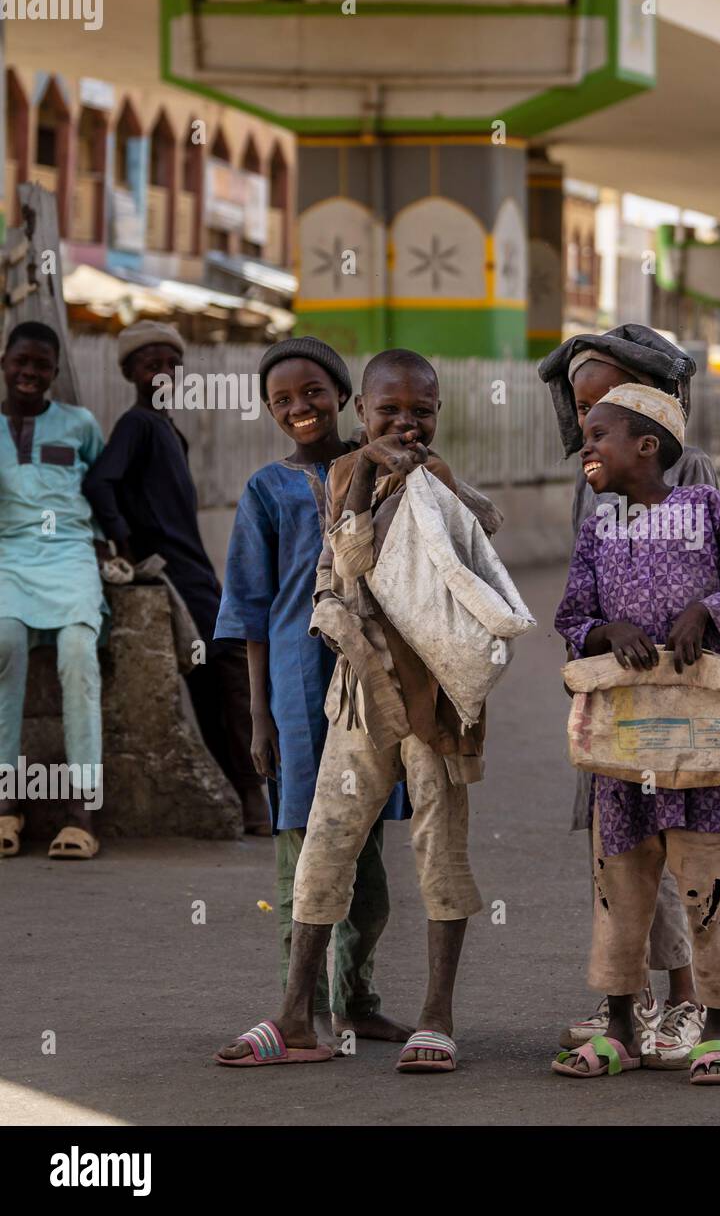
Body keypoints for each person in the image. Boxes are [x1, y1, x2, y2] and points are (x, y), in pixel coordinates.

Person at [215, 349, 497, 1072]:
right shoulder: (340, 477)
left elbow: (485, 531)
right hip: (352, 697)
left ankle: (432, 1017)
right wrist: (369, 474)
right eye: (390, 411)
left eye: (421, 412)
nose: (405, 423)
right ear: (362, 411)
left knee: (436, 852)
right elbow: (347, 564)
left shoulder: (435, 478)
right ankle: (296, 1016)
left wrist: (439, 481)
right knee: (319, 852)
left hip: (435, 699)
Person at [552, 384, 720, 1085]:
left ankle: (718, 1030)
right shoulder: (598, 527)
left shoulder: (706, 509)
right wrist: (605, 631)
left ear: (647, 446)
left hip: (701, 737)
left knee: (708, 878)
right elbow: (571, 618)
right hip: (623, 738)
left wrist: (707, 613)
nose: (586, 447)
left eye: (599, 435)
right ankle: (621, 1026)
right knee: (617, 882)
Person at [215, 336, 412, 1049]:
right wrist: (259, 714)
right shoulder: (266, 489)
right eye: (282, 400)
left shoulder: (384, 466)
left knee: (368, 859)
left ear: (343, 396)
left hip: (373, 684)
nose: (299, 408)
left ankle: (356, 998)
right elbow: (251, 608)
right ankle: (299, 1006)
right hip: (297, 692)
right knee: (302, 849)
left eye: (313, 393)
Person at [538, 325, 716, 1068]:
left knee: (676, 843)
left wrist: (692, 621)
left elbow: (719, 580)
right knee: (615, 849)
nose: (591, 420)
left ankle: (687, 999)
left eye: (607, 401)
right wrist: (599, 634)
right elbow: (580, 599)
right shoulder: (594, 478)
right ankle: (628, 1001)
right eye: (583, 407)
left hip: (674, 700)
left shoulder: (692, 473)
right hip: (610, 697)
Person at [82, 321, 270, 834]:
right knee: (231, 676)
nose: (164, 372)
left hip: (197, 576)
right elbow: (100, 482)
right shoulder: (137, 424)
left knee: (217, 685)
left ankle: (250, 798)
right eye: (151, 364)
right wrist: (123, 541)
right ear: (129, 372)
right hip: (179, 579)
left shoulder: (171, 431)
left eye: (171, 364)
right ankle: (256, 796)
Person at [0, 321, 106, 859]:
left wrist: (117, 545)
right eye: (21, 362)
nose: (29, 373)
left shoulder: (79, 423)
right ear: (3, 362)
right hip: (9, 558)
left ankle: (83, 811)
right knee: (5, 645)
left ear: (55, 373)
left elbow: (105, 486)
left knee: (78, 655)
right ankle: (5, 806)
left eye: (41, 365)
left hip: (70, 555)